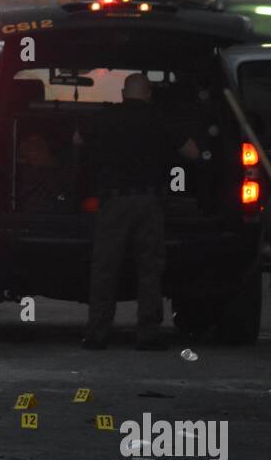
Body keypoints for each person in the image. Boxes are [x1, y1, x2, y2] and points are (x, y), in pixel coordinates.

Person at [82, 72, 198, 350]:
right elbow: (193, 153)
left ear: (123, 94)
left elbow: (76, 141)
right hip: (149, 203)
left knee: (105, 268)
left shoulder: (104, 117)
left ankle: (97, 333)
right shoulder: (161, 119)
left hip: (113, 203)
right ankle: (148, 333)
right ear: (149, 94)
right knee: (149, 268)